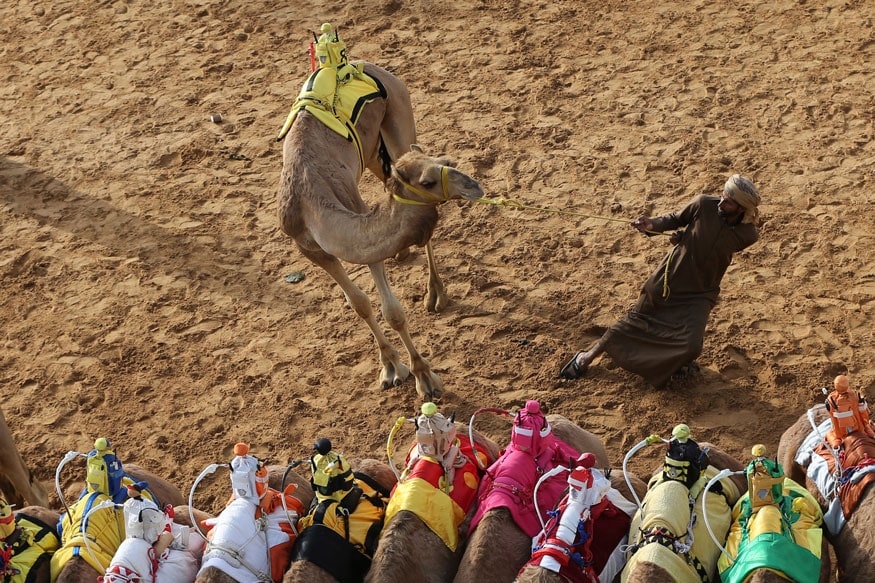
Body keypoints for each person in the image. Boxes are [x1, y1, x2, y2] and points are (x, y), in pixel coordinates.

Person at [559, 174, 761, 388]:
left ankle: (673, 365)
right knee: (631, 323)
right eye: (722, 196)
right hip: (669, 279)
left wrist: (688, 239)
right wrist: (652, 224)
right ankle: (586, 358)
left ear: (741, 208)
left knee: (692, 346)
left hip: (700, 292)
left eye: (728, 202)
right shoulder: (703, 204)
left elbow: (717, 249)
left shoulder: (748, 235)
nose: (721, 202)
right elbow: (674, 219)